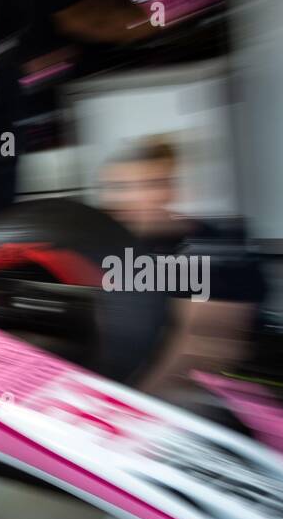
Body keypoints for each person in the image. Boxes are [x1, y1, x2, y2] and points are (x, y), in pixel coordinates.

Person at [96, 136, 267, 395]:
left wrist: (127, 400)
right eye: (118, 187)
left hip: (204, 389)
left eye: (145, 185)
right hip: (132, 382)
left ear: (168, 190)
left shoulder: (215, 246)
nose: (128, 199)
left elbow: (203, 344)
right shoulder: (110, 248)